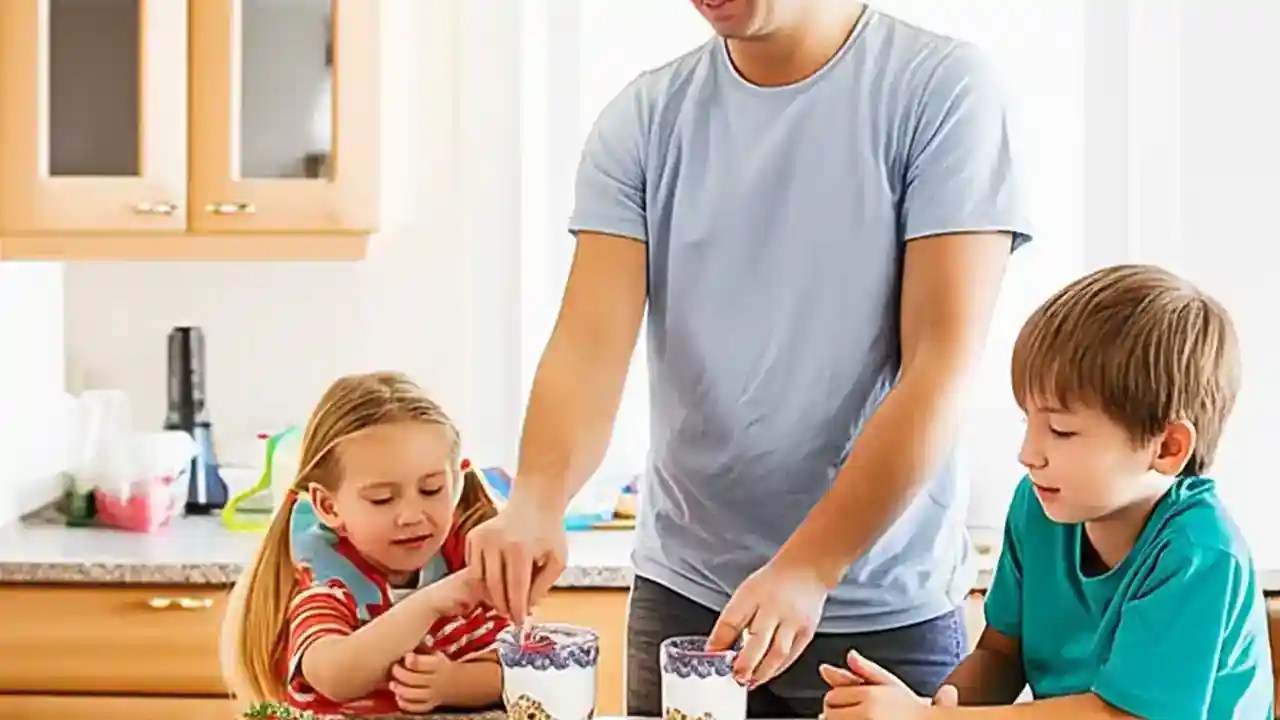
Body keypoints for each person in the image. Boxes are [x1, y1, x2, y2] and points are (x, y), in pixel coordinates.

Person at [468, 0, 1032, 715]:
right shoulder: (643, 119)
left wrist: (809, 565)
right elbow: (587, 347)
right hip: (688, 605)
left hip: (878, 617)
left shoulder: (944, 91)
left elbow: (940, 365)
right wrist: (537, 502)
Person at [819, 264, 1274, 719]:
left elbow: (1126, 716)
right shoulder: (1038, 504)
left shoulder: (1202, 554)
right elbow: (1001, 654)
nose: (1028, 453)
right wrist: (930, 705)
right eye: (1028, 421)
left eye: (1061, 430)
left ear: (1167, 447)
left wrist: (928, 719)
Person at [220, 372, 508, 716]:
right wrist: (429, 604)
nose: (412, 515)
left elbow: (513, 669)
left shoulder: (464, 565)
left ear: (457, 481)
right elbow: (334, 675)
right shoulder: (329, 586)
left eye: (431, 490)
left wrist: (453, 683)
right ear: (329, 506)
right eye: (382, 499)